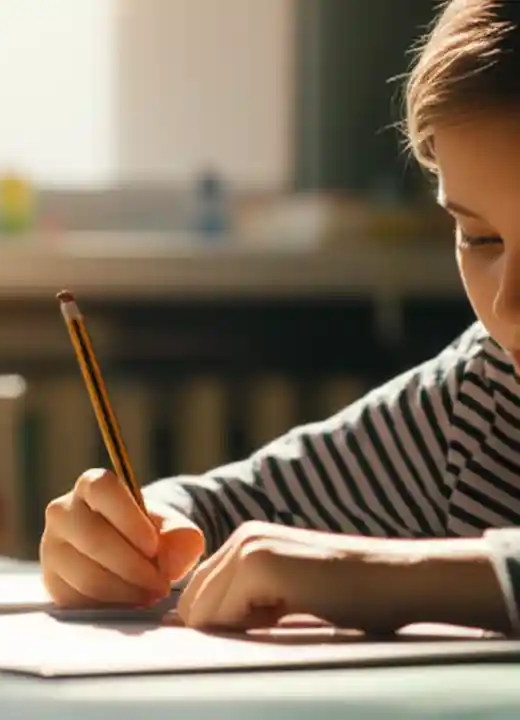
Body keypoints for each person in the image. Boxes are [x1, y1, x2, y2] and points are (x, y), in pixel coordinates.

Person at [40, 0, 520, 635]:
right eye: (480, 239)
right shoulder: (487, 400)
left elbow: (340, 566)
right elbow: (234, 514)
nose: (507, 306)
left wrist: (400, 576)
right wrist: (136, 533)